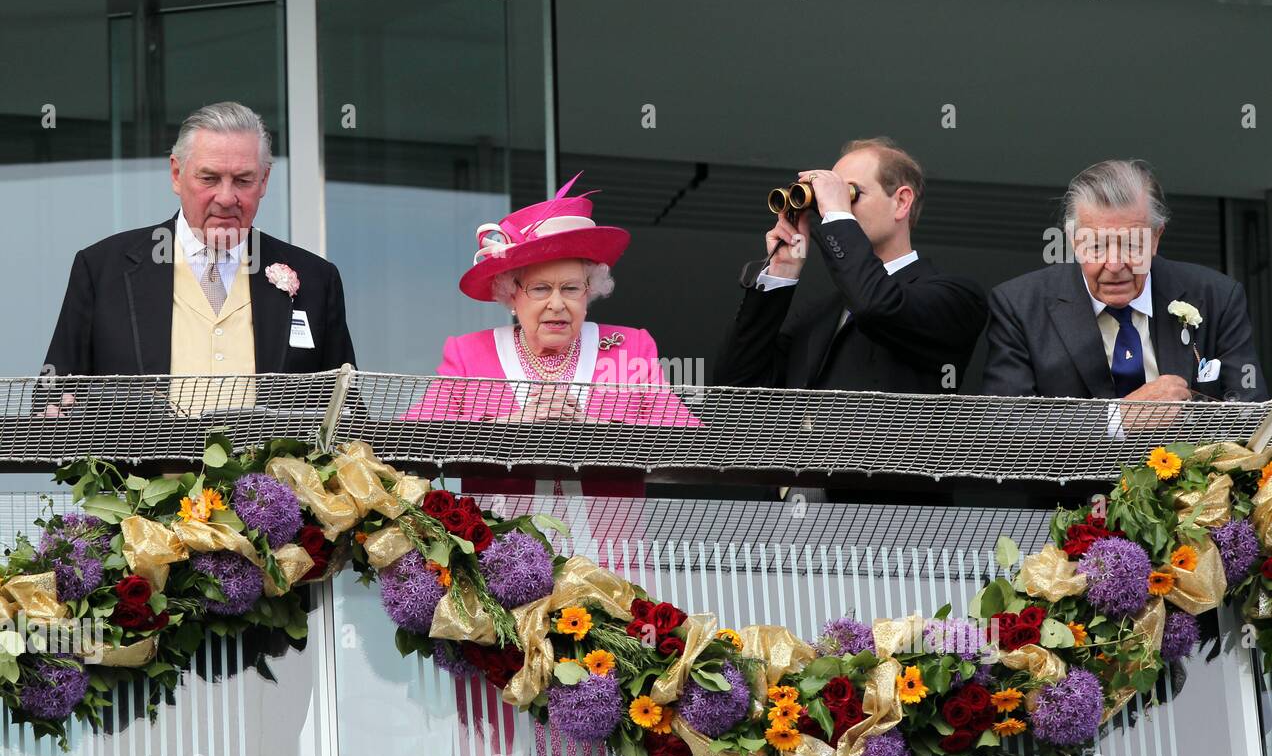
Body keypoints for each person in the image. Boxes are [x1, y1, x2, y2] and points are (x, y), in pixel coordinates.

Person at [403, 173, 697, 499]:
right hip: (501, 546)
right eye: (540, 288)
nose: (557, 304)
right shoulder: (469, 355)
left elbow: (685, 444)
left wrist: (594, 435)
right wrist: (506, 428)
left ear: (590, 292)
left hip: (609, 546)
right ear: (511, 293)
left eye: (571, 288)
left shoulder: (630, 348)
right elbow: (413, 444)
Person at [42, 102, 355, 407]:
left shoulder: (317, 280)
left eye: (243, 180)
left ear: (264, 181)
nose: (226, 197)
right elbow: (52, 400)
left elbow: (347, 414)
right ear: (177, 174)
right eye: (210, 178)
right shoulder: (102, 270)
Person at [982, 159, 1267, 415]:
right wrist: (1119, 418)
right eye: (1097, 246)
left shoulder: (1217, 296)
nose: (1115, 265)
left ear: (1156, 238)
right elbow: (1004, 426)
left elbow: (1250, 416)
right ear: (1072, 241)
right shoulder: (1019, 305)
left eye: (1132, 245)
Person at [714, 137, 987, 394]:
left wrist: (838, 214)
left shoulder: (957, 296)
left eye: (850, 193)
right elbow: (737, 385)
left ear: (902, 202)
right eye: (833, 198)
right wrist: (781, 274)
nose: (831, 207)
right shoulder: (817, 317)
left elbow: (877, 306)